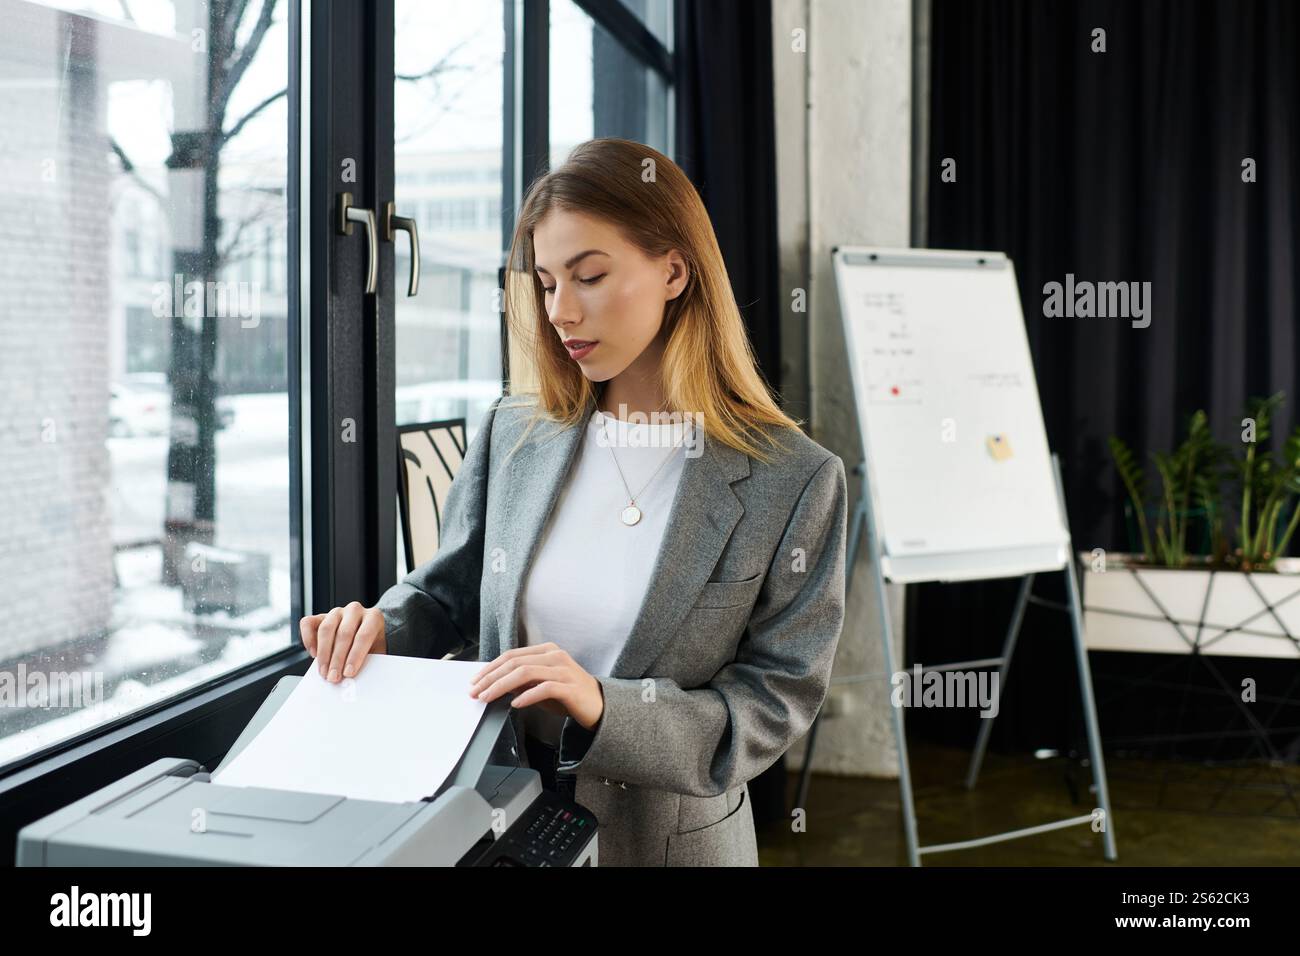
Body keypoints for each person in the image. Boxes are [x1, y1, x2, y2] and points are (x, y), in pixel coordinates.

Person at [299, 137, 848, 866]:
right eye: (546, 283)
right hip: (497, 823)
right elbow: (448, 596)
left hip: (669, 845)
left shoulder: (795, 480)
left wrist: (602, 707)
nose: (560, 312)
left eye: (588, 277)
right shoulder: (513, 434)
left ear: (675, 270)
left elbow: (774, 703)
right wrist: (380, 628)